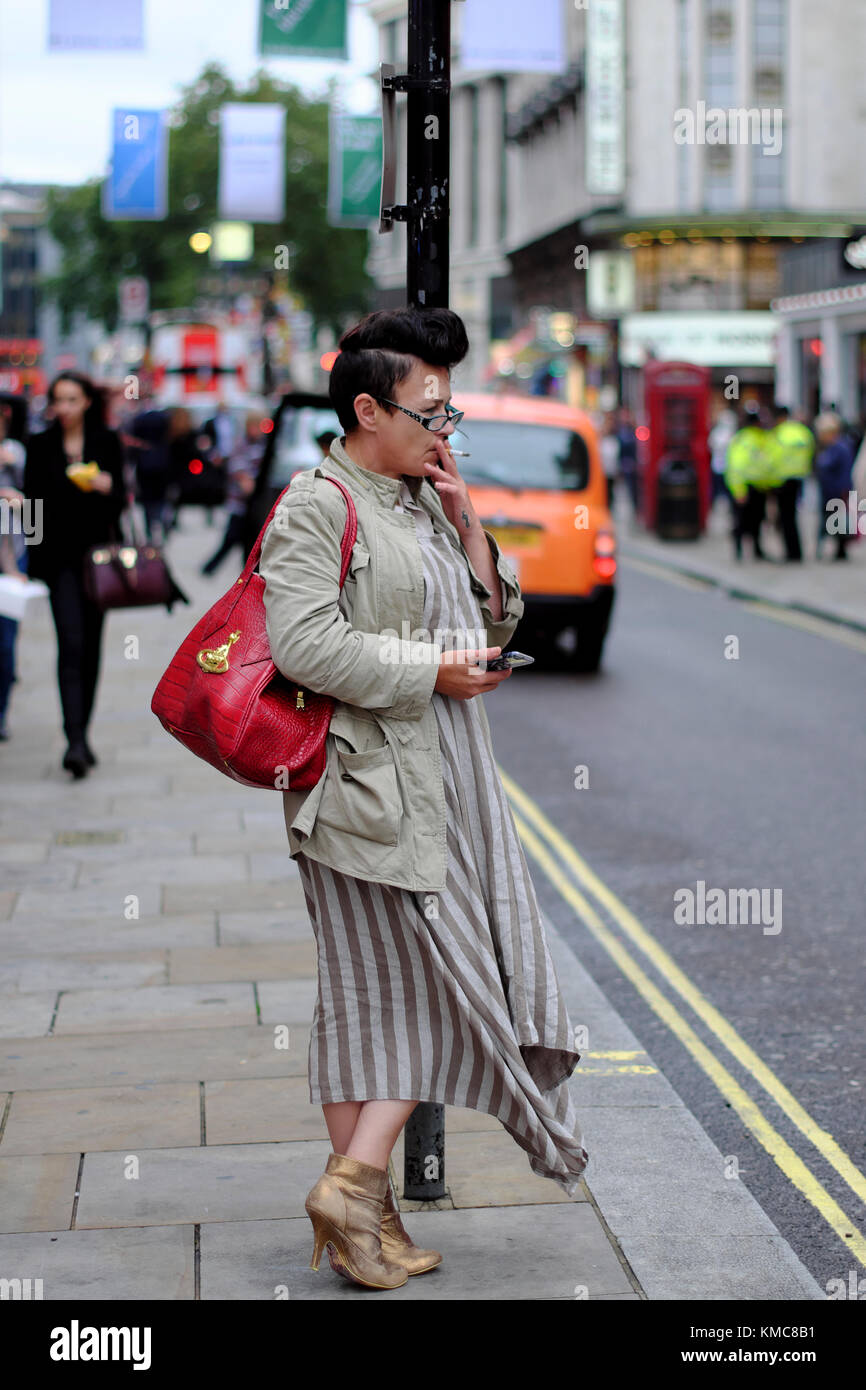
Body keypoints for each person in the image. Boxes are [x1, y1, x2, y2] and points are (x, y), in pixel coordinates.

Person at [257, 307, 588, 1291]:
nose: (444, 432)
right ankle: (353, 1182)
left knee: (365, 1006)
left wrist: (468, 517)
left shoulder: (414, 497)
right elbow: (302, 645)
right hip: (365, 788)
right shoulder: (316, 505)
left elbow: (493, 610)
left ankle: (364, 1218)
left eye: (452, 417)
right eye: (429, 412)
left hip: (446, 778)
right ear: (366, 409)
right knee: (440, 991)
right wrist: (428, 672)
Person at [23, 371, 125, 777]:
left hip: (98, 560)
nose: (62, 408)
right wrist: (34, 559)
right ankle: (75, 741)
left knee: (92, 647)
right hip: (58, 562)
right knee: (71, 642)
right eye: (57, 400)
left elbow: (121, 501)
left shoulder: (106, 441)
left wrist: (104, 485)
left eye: (70, 400)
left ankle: (83, 731)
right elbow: (32, 505)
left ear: (85, 402)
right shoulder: (40, 444)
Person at [200, 410, 266, 576]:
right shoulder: (240, 443)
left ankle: (249, 574)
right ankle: (210, 568)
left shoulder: (264, 444)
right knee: (231, 539)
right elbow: (236, 467)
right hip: (240, 502)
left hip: (256, 505)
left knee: (250, 543)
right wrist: (245, 479)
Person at [0, 404, 29, 740]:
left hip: (14, 552)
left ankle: (2, 712)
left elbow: (34, 500)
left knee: (6, 641)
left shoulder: (16, 452)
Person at [724, 402, 775, 559]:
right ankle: (740, 551)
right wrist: (739, 490)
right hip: (747, 487)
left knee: (756, 521)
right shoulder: (747, 439)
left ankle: (755, 550)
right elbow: (737, 467)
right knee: (744, 521)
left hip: (756, 487)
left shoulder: (751, 438)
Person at [767, 405, 814, 562]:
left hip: (781, 481)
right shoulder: (802, 431)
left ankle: (791, 553)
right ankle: (796, 551)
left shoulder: (778, 434)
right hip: (799, 479)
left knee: (785, 518)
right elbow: (811, 452)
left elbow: (772, 459)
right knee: (792, 517)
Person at [813, 412, 855, 560]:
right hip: (830, 491)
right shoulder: (833, 447)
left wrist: (845, 491)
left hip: (837, 491)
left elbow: (831, 468)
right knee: (833, 521)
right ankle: (833, 549)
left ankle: (839, 549)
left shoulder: (839, 448)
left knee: (837, 521)